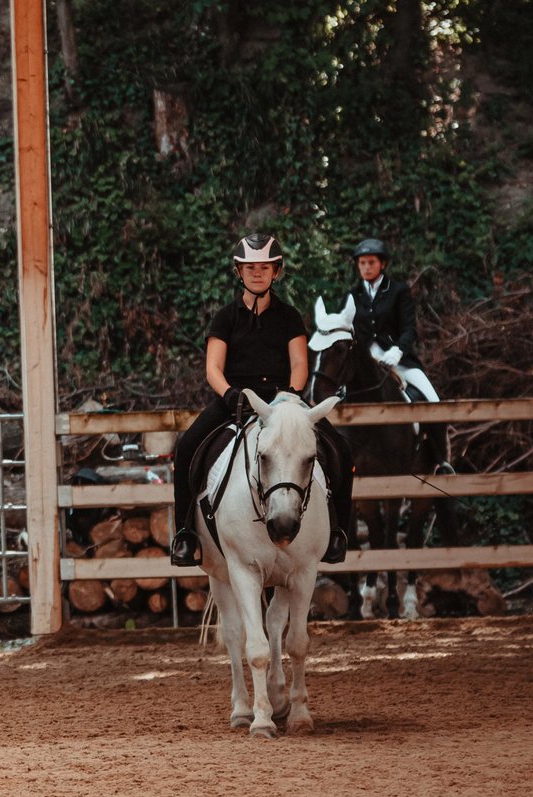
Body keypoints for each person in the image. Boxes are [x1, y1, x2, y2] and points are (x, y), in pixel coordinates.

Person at [168, 234, 354, 568]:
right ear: (239, 272)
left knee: (340, 448)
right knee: (186, 447)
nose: (257, 273)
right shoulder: (225, 317)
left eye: (264, 268)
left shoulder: (289, 317)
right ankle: (186, 534)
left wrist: (290, 396)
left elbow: (299, 364)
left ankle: (338, 531)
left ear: (276, 272)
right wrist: (229, 393)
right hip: (234, 400)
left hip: (282, 402)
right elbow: (213, 367)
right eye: (250, 267)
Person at [348, 237, 442, 404]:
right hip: (364, 362)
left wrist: (397, 351)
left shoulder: (399, 291)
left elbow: (409, 329)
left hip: (396, 359)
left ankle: (440, 428)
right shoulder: (353, 295)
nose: (366, 267)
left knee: (433, 400)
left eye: (371, 262)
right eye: (362, 263)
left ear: (382, 264)